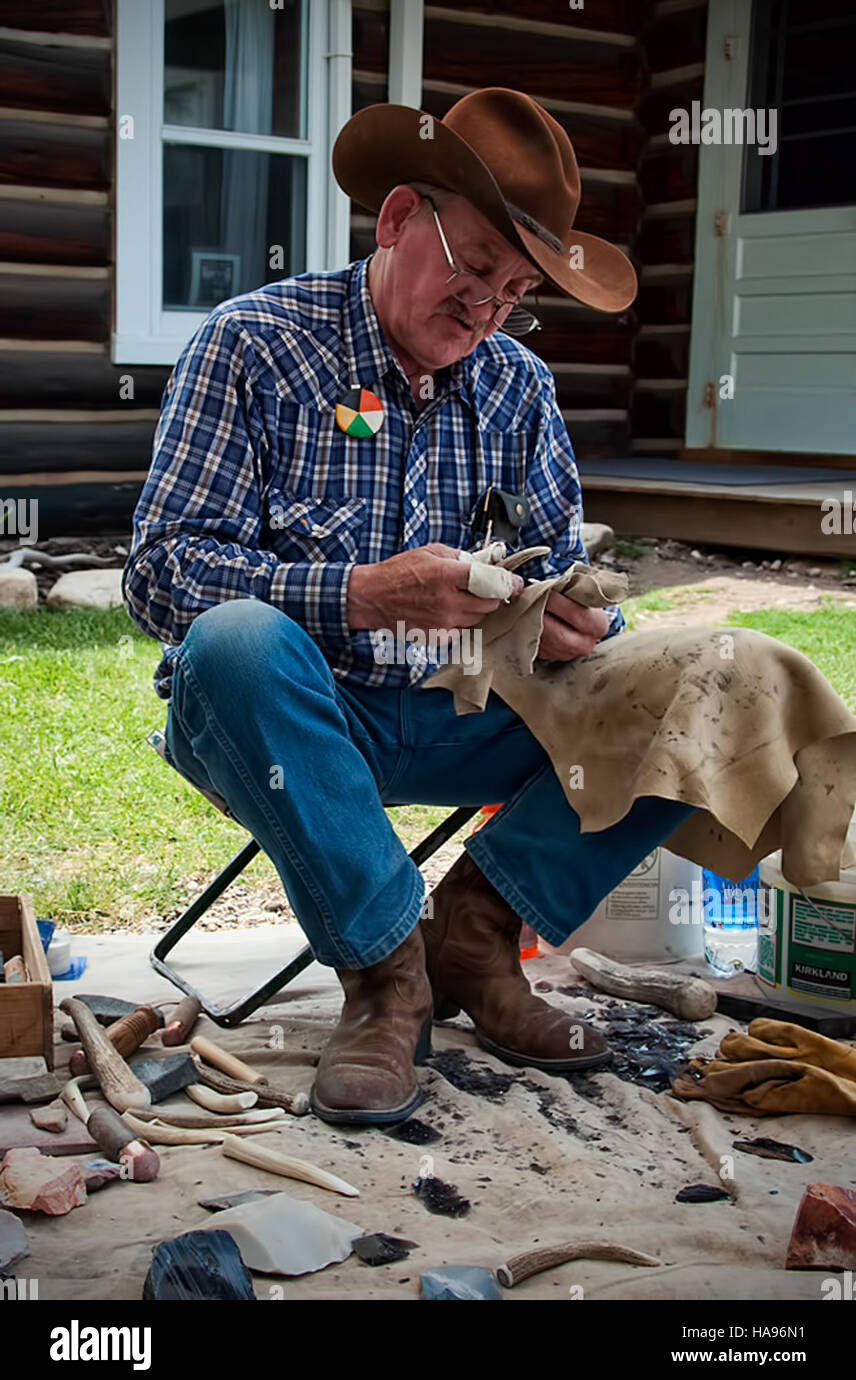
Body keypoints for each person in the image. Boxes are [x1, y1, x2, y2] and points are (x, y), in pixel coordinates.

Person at [123, 88, 693, 1126]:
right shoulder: (252, 344)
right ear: (395, 221)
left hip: (462, 715)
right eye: (475, 266)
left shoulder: (518, 385)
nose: (486, 309)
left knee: (697, 685)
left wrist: (581, 624)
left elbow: (561, 570)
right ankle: (388, 979)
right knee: (239, 640)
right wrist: (358, 593)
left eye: (515, 290)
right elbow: (158, 575)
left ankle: (476, 940)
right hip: (290, 719)